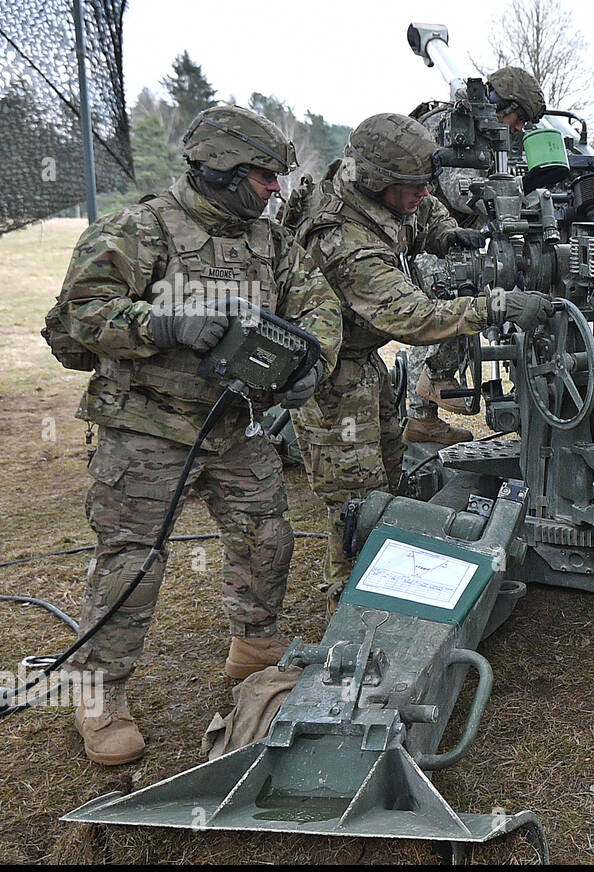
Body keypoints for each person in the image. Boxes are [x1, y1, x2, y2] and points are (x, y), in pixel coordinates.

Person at [51, 105, 344, 765]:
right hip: (147, 424)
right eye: (265, 176)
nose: (276, 189)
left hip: (233, 424)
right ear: (222, 170)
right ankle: (99, 688)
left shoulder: (270, 242)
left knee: (266, 535)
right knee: (133, 560)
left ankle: (257, 648)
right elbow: (79, 313)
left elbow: (319, 303)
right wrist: (163, 324)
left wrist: (310, 362)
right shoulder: (141, 227)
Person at [287, 112, 553, 615]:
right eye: (412, 187)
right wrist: (494, 307)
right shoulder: (346, 240)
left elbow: (418, 216)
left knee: (386, 477)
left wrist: (453, 237)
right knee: (355, 503)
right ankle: (351, 611)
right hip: (332, 378)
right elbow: (412, 318)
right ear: (380, 182)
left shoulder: (379, 196)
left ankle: (387, 578)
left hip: (362, 367)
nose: (423, 196)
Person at [402, 66, 549, 444]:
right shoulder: (455, 125)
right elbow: (460, 191)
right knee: (448, 295)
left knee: (471, 296)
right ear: (503, 104)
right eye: (519, 119)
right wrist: (512, 198)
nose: (519, 130)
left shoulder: (487, 133)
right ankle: (423, 405)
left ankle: (431, 393)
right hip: (426, 233)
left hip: (452, 232)